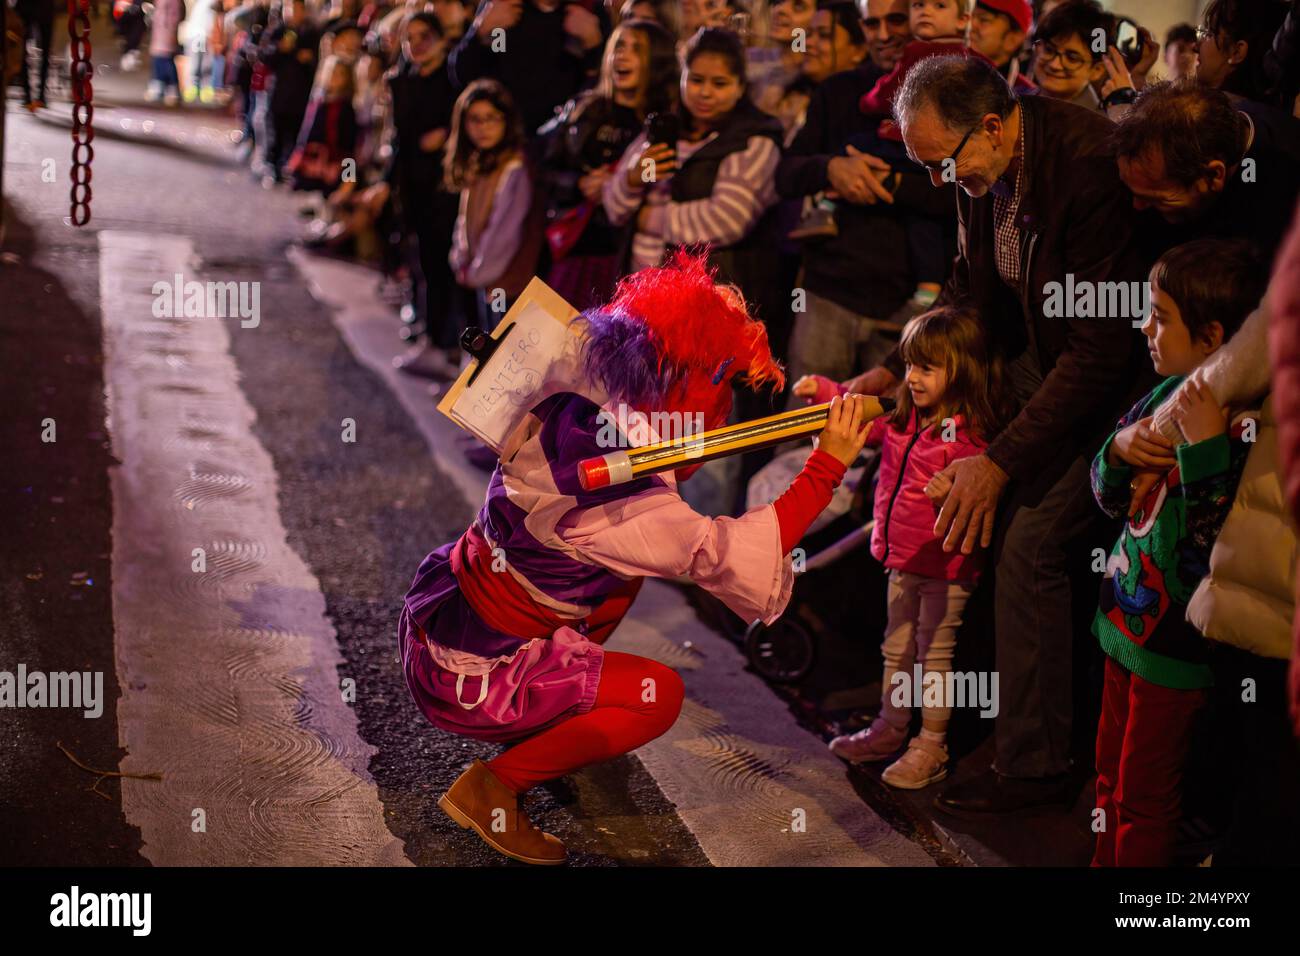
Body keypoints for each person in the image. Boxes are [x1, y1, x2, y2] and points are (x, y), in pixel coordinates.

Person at [400, 252, 873, 864]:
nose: (726, 404)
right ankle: (494, 786)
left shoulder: (582, 389)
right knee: (659, 696)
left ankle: (546, 726)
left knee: (623, 581)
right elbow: (727, 550)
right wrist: (829, 462)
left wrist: (796, 416)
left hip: (451, 609)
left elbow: (672, 449)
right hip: (476, 671)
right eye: (721, 383)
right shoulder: (618, 496)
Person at [878, 55, 1150, 815]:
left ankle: (1034, 769)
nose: (941, 183)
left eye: (945, 165)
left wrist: (998, 462)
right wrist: (894, 369)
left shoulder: (1087, 166)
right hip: (1029, 369)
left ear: (992, 127)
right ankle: (948, 723)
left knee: (1030, 544)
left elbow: (1101, 352)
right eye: (925, 168)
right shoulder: (979, 169)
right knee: (963, 522)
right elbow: (969, 287)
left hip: (1102, 393)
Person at [1089, 238, 1268, 867]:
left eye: (1160, 316)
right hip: (1121, 624)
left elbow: (1210, 539)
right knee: (1107, 781)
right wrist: (1116, 450)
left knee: (1144, 797)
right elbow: (1109, 498)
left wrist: (1203, 448)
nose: (1144, 326)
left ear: (1214, 336)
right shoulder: (1160, 396)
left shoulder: (1242, 427)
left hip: (1175, 649)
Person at [802, 308, 1010, 788]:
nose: (911, 377)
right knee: (896, 648)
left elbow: (974, 483)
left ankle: (931, 744)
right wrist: (828, 393)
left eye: (926, 368)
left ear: (963, 371)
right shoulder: (904, 416)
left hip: (945, 564)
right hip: (900, 560)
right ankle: (891, 728)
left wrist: (948, 489)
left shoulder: (971, 435)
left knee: (935, 655)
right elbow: (862, 420)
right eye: (910, 365)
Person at [776, 0, 952, 389]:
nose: (884, 34)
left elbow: (962, 195)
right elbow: (785, 175)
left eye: (895, 20)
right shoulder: (840, 91)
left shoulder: (947, 90)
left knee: (888, 437)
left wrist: (893, 184)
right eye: (872, 24)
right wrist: (831, 169)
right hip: (827, 295)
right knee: (801, 426)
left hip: (911, 305)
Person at [537, 18, 678, 311]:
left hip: (627, 260)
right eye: (618, 46)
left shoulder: (665, 123)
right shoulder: (584, 111)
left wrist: (624, 183)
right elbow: (543, 171)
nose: (622, 56)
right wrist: (576, 185)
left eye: (636, 49)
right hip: (577, 252)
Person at [857, 0, 981, 314]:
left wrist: (869, 102)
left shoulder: (916, 53)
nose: (925, 11)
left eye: (938, 5)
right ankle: (929, 288)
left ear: (963, 18)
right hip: (944, 150)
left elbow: (886, 94)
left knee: (855, 149)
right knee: (928, 218)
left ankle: (826, 205)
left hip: (905, 142)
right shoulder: (974, 59)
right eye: (919, 5)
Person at [1113, 81, 1300, 271]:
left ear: (1213, 176)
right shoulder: (1219, 124)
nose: (1136, 205)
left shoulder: (1280, 226)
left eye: (1153, 197)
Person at [388, 13, 467, 380]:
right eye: (410, 38)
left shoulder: (453, 78)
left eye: (424, 36)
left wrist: (447, 135)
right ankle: (431, 335)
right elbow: (401, 140)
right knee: (423, 263)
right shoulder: (405, 81)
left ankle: (445, 344)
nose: (416, 44)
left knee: (441, 267)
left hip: (444, 189)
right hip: (414, 187)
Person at [446, 79, 543, 337]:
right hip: (485, 276)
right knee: (488, 339)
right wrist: (462, 258)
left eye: (492, 118)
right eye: (475, 119)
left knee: (504, 345)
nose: (483, 127)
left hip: (507, 279)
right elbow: (465, 221)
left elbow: (506, 232)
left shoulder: (514, 168)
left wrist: (477, 271)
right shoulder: (479, 163)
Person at [449, 0, 610, 137]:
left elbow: (603, 87)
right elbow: (469, 76)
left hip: (564, 140)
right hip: (508, 138)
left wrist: (593, 44)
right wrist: (482, 31)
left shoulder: (586, 9)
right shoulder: (508, 7)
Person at [259, 0, 321, 181]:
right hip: (278, 91)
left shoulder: (311, 33)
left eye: (296, 9)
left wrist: (308, 59)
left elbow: (317, 61)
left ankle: (292, 167)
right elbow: (263, 56)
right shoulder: (277, 31)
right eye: (289, 8)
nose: (293, 12)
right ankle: (272, 166)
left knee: (296, 132)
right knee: (275, 129)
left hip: (301, 93)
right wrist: (279, 49)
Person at [1195, 0, 1290, 109]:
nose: (1196, 46)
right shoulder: (1270, 120)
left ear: (1237, 52)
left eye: (1209, 33)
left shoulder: (1217, 121)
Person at [285, 55, 357, 193]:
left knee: (346, 179)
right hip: (316, 156)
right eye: (331, 73)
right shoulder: (318, 103)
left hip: (341, 159)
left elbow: (350, 146)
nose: (335, 78)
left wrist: (347, 173)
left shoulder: (347, 108)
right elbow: (307, 133)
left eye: (340, 74)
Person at [968, 0, 1034, 92]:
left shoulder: (1024, 96)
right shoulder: (950, 71)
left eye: (984, 20)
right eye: (971, 16)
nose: (971, 25)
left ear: (1012, 39)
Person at [14, 0, 55, 111]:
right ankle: (40, 97)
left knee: (22, 50)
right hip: (44, 6)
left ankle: (28, 97)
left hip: (27, 6)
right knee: (44, 52)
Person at [147, 0, 186, 105]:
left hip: (166, 32)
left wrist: (171, 28)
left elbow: (176, 14)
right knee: (159, 59)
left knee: (166, 60)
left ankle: (172, 89)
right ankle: (160, 86)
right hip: (160, 31)